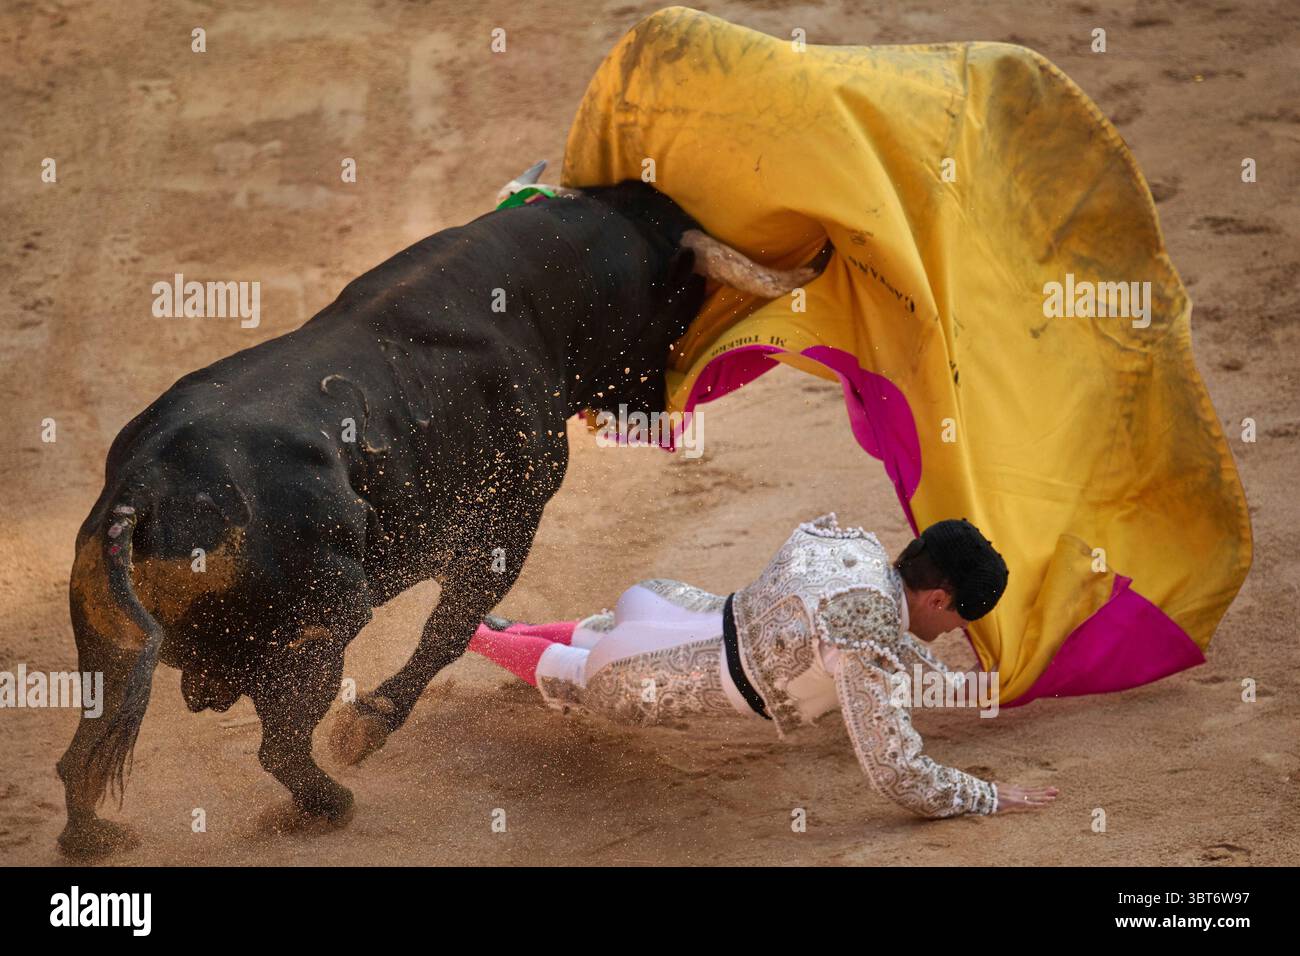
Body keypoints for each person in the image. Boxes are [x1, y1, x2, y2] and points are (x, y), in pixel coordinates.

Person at [469, 513, 1059, 818]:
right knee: (577, 674)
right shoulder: (867, 634)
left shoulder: (859, 554)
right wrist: (985, 797)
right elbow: (897, 773)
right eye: (961, 619)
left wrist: (975, 690)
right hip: (640, 678)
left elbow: (893, 653)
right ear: (937, 598)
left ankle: (497, 626)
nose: (955, 631)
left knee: (598, 638)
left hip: (667, 602)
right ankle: (464, 633)